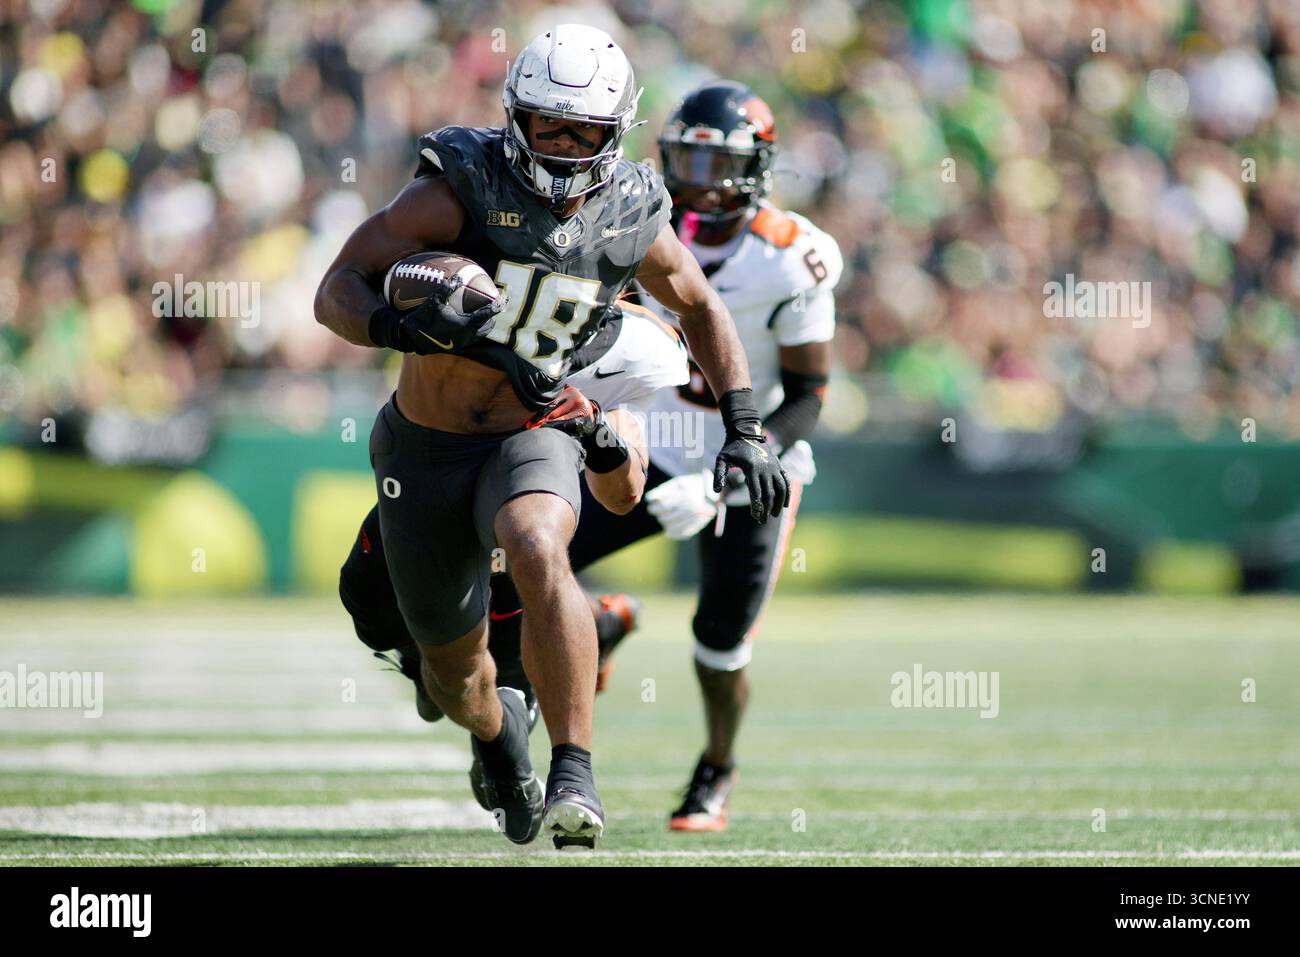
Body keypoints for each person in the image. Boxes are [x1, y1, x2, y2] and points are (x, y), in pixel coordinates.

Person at [315, 28, 789, 849]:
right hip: (426, 446)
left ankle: (576, 767)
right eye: (550, 127)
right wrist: (398, 324)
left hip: (530, 431)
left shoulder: (630, 208)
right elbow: (336, 289)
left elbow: (701, 305)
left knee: (538, 541)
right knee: (453, 681)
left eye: (586, 132)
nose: (567, 148)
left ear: (617, 131)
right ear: (516, 120)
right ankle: (499, 735)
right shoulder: (458, 188)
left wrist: (745, 425)